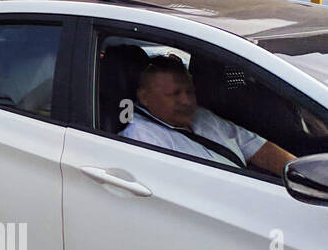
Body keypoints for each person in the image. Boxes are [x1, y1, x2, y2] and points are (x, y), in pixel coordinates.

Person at [121, 57, 294, 176]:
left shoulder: (202, 117)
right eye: (175, 94)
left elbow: (260, 149)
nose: (187, 101)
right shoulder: (142, 137)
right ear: (145, 97)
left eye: (190, 92)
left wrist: (304, 175)